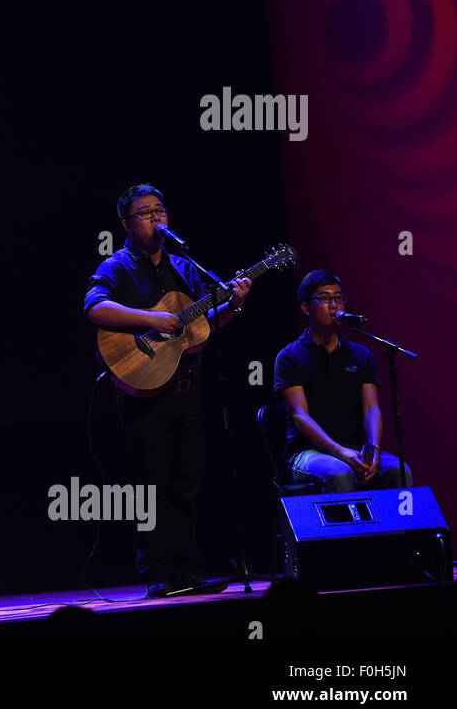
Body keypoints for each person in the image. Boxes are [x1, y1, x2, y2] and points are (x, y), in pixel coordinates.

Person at [84, 184, 251, 598]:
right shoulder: (117, 267)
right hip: (143, 393)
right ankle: (157, 575)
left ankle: (186, 573)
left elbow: (200, 330)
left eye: (161, 210)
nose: (157, 219)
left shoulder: (185, 268)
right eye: (146, 213)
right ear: (126, 224)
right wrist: (150, 319)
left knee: (187, 482)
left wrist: (232, 305)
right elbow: (94, 308)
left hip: (185, 389)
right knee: (151, 483)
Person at [274, 270, 412, 492]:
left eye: (338, 298)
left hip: (355, 447)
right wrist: (339, 451)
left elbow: (371, 409)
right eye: (325, 298)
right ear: (306, 307)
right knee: (338, 473)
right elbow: (300, 416)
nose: (334, 305)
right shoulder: (290, 356)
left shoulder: (361, 354)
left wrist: (374, 449)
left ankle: (395, 529)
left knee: (400, 471)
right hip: (308, 453)